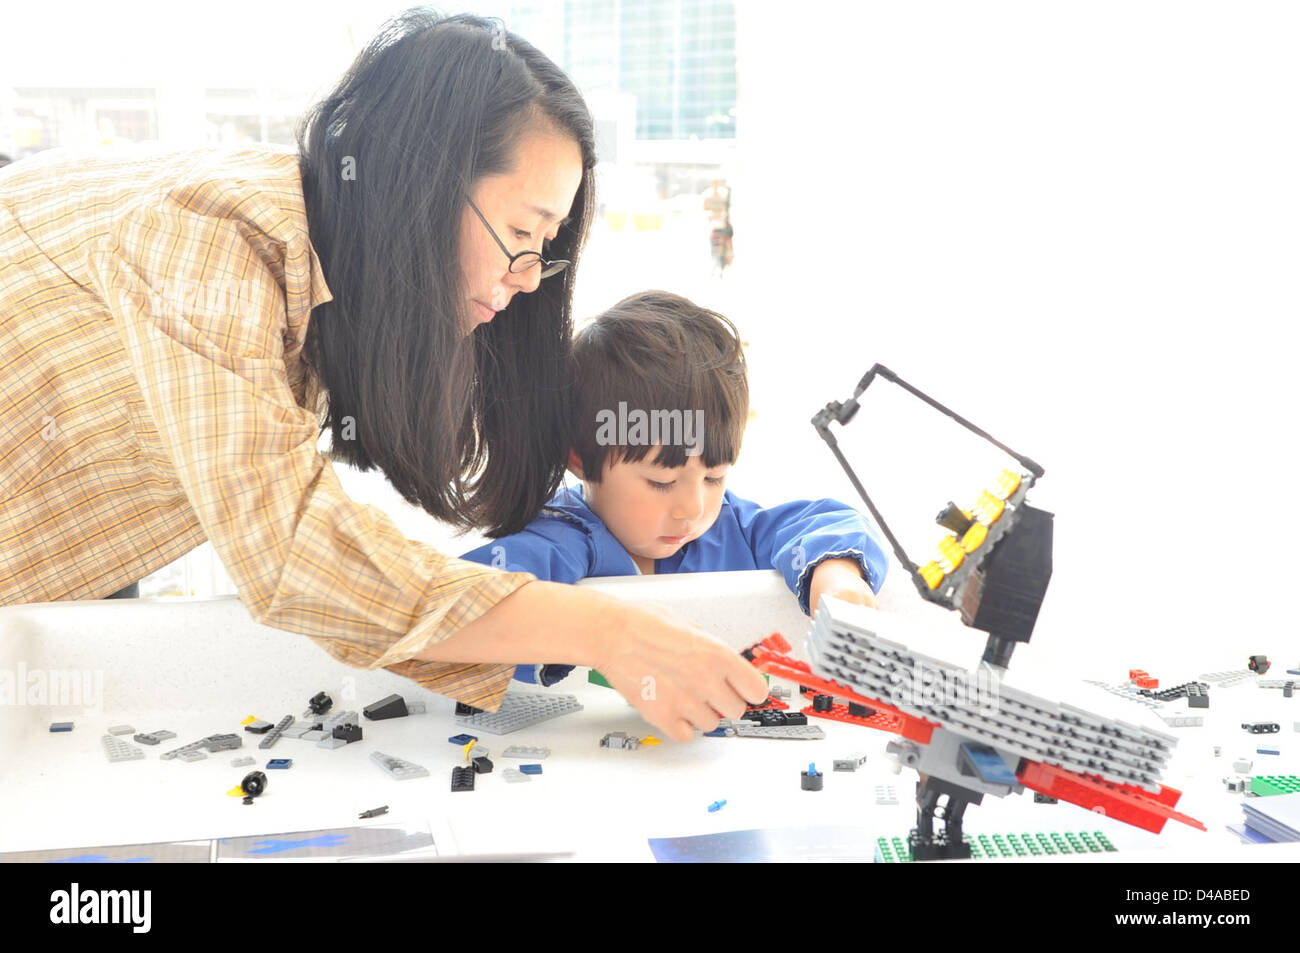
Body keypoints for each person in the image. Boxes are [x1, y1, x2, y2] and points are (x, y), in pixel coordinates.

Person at [0, 10, 766, 742]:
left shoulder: (330, 296)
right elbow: (293, 552)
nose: (531, 276)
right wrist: (610, 631)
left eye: (547, 243)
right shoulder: (210, 238)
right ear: (421, 180)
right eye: (524, 231)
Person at [461, 290, 888, 686]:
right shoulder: (561, 541)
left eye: (715, 476)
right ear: (580, 459)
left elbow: (828, 524)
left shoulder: (733, 528)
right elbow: (459, 602)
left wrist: (835, 575)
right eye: (661, 481)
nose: (693, 507)